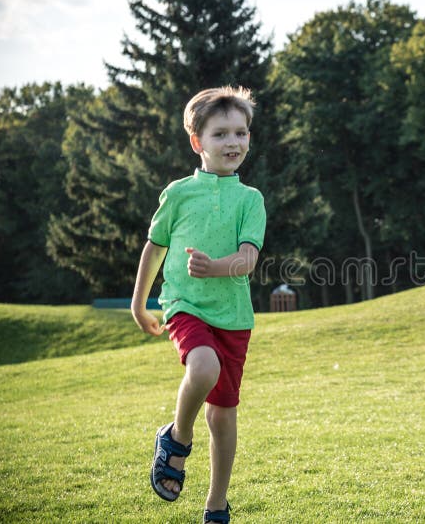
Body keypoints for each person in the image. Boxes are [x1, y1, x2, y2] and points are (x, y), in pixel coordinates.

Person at [131, 85, 266, 524]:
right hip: (186, 305)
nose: (233, 143)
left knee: (224, 416)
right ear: (198, 142)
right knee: (202, 368)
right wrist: (140, 303)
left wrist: (218, 267)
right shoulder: (178, 193)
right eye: (221, 134)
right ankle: (177, 437)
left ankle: (216, 505)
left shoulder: (251, 200)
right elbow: (154, 249)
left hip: (234, 318)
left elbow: (248, 260)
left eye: (241, 133)